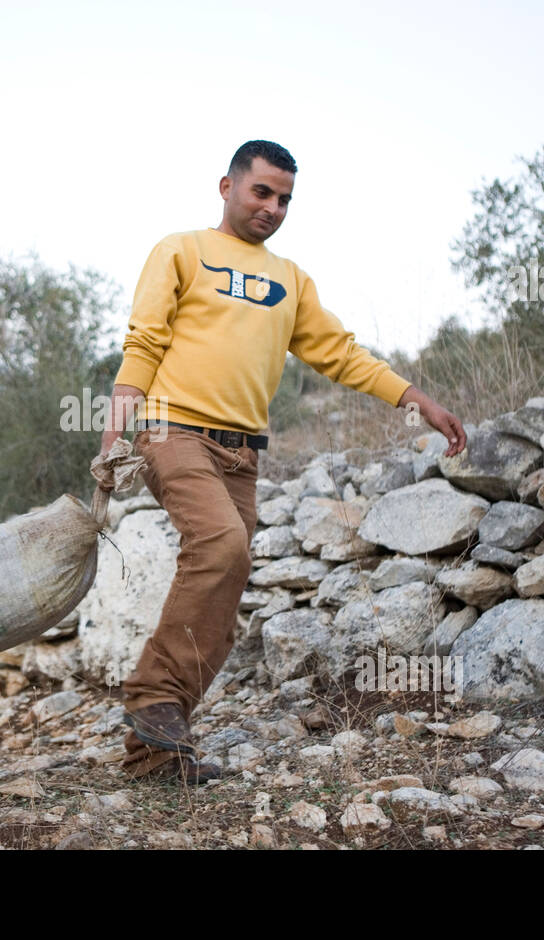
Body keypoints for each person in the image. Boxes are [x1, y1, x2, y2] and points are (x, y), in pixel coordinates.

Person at [98, 140, 467, 784]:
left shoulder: (290, 279)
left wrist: (416, 399)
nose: (273, 207)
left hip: (242, 454)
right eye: (261, 191)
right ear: (227, 186)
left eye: (285, 199)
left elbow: (341, 354)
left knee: (227, 581)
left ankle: (154, 758)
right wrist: (116, 431)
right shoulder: (181, 250)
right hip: (172, 430)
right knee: (222, 545)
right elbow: (145, 339)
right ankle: (154, 695)